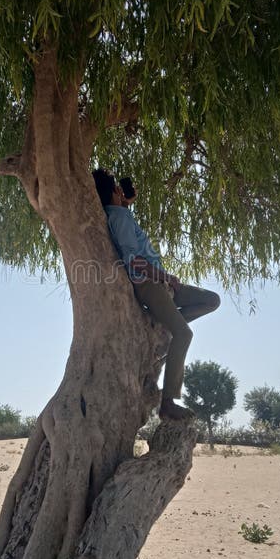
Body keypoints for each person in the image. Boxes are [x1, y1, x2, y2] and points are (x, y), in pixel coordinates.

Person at [93, 169, 220, 421]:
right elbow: (134, 260)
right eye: (119, 188)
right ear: (116, 191)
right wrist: (164, 277)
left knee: (211, 300)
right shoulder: (119, 219)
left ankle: (163, 325)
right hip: (150, 285)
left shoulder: (119, 214)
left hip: (161, 284)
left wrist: (125, 204)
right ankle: (168, 402)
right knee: (183, 333)